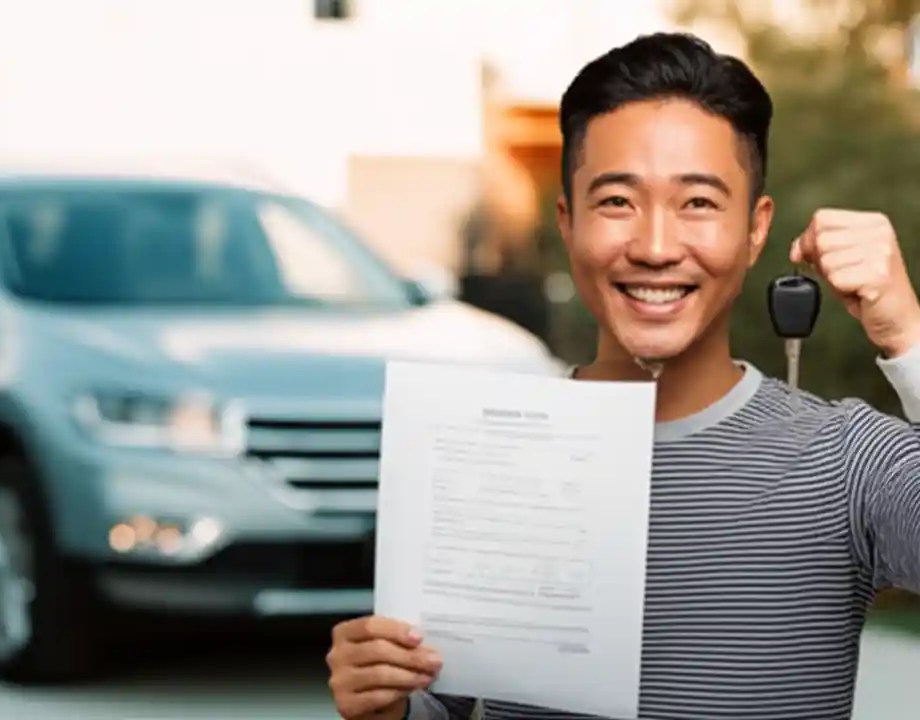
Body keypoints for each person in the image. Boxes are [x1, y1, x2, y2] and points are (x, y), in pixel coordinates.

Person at [326, 31, 920, 720]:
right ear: (568, 221)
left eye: (698, 203)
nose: (656, 247)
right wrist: (388, 708)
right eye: (617, 202)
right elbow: (444, 702)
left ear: (756, 230)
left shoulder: (846, 460)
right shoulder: (492, 456)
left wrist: (907, 332)